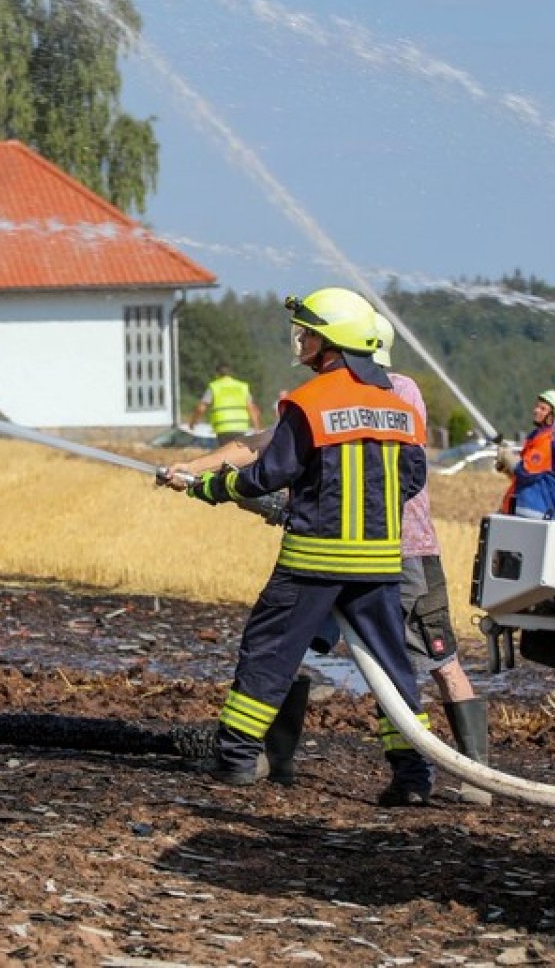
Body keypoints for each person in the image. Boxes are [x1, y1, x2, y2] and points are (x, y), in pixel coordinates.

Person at [159, 287, 435, 806]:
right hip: (379, 564)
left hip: (312, 562)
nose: (301, 342)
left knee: (269, 651)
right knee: (391, 667)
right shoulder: (399, 409)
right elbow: (412, 479)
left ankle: (238, 757)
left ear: (332, 343)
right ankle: (413, 777)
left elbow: (267, 474)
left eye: (308, 334)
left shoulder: (309, 402)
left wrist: (209, 487)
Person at [372, 313, 491, 805]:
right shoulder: (352, 392)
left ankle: (478, 778)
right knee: (384, 666)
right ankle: (411, 779)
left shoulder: (400, 390)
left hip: (409, 550)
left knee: (441, 660)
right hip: (369, 551)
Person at [497, 389, 555, 519]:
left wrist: (507, 457)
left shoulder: (549, 440)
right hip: (524, 507)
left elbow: (526, 472)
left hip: (535, 510)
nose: (536, 410)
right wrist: (507, 468)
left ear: (554, 415)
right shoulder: (537, 437)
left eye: (543, 409)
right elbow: (523, 476)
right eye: (537, 406)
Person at [188, 363, 262, 444]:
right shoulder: (242, 386)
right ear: (231, 373)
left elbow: (201, 408)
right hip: (240, 427)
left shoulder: (214, 386)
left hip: (222, 427)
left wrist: (192, 422)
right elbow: (251, 408)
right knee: (236, 450)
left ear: (217, 374)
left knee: (225, 450)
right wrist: (257, 428)